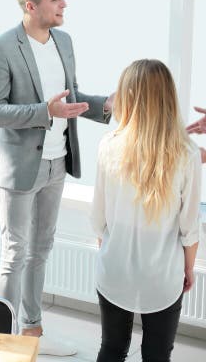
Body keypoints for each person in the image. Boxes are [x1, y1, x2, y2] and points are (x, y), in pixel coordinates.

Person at [0, 0, 113, 354]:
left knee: (41, 249)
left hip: (57, 162)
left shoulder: (65, 41)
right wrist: (45, 111)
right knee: (14, 253)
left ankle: (32, 333)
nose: (64, 4)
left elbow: (68, 98)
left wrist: (105, 104)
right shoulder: (2, 46)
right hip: (19, 166)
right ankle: (0, 339)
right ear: (31, 5)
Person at [91, 59, 200, 362]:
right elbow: (190, 229)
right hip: (163, 276)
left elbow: (99, 221)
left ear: (128, 96)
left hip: (114, 271)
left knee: (112, 348)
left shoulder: (108, 145)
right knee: (156, 354)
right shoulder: (187, 153)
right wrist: (188, 269)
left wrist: (114, 255)